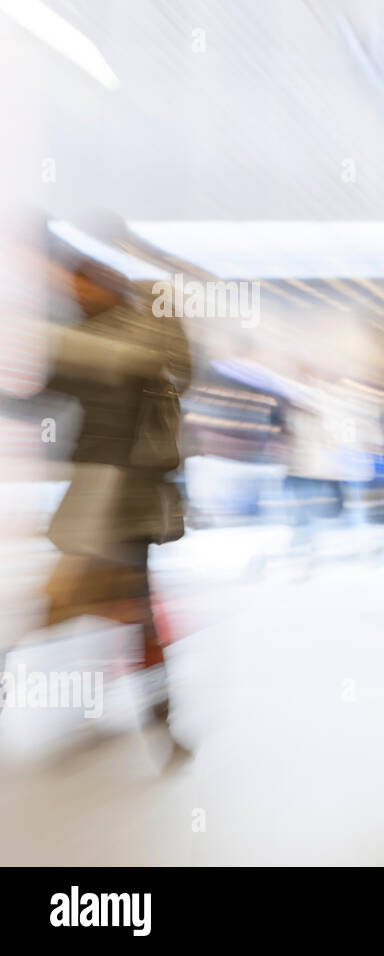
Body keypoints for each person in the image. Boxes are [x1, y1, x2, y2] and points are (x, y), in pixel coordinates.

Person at [40, 254, 193, 768]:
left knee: (118, 611)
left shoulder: (129, 337)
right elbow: (43, 395)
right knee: (79, 606)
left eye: (81, 285)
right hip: (104, 500)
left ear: (101, 285)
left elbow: (180, 369)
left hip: (119, 501)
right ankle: (164, 728)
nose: (75, 293)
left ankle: (164, 726)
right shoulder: (89, 338)